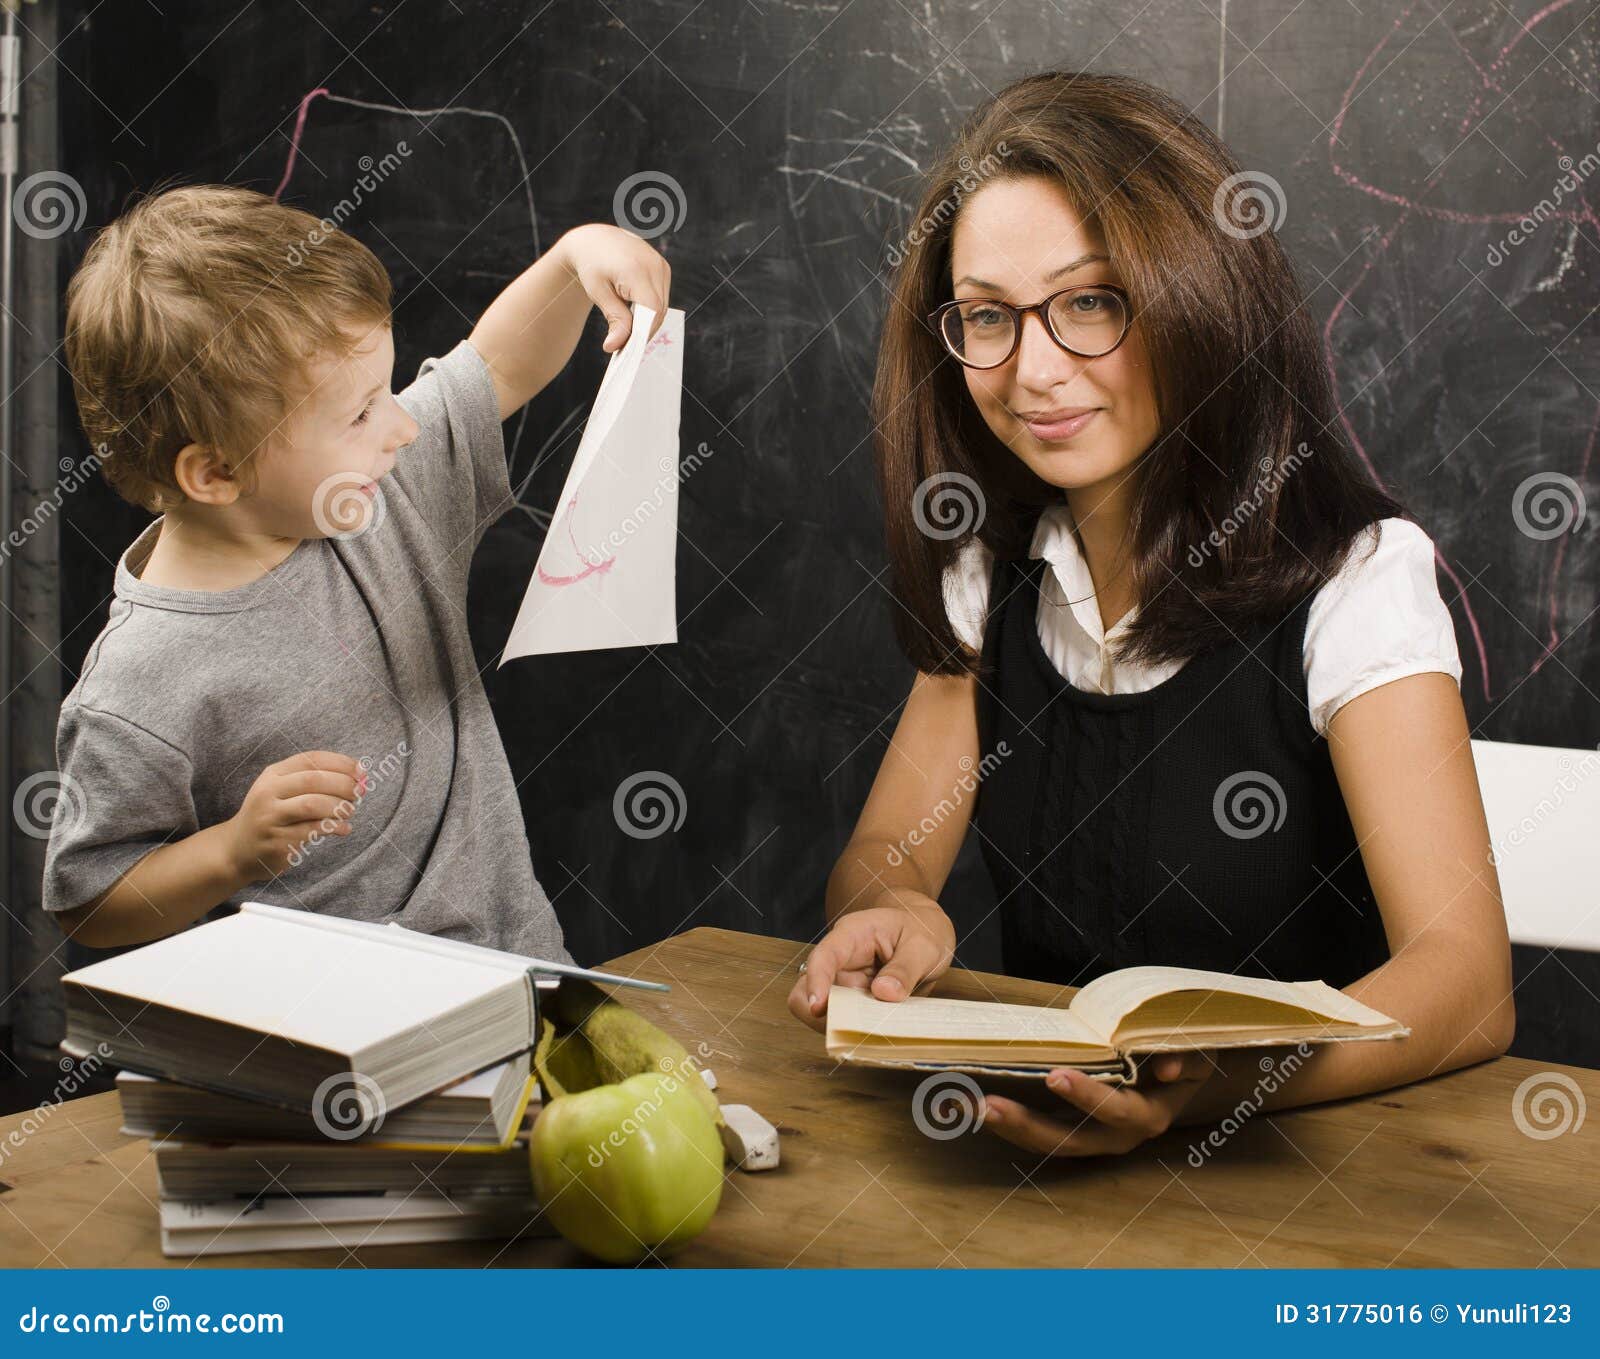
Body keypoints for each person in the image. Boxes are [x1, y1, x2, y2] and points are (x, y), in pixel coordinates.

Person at [789, 72, 1514, 1157]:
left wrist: (1214, 1094)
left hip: (1307, 1192)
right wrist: (892, 912)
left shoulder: (1355, 579)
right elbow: (890, 846)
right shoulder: (991, 570)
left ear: (1194, 293)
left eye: (1088, 302)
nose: (1032, 371)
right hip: (1027, 1169)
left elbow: (1465, 987)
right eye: (986, 316)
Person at [44, 184, 670, 959]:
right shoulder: (139, 679)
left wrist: (576, 257)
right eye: (361, 412)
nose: (402, 425)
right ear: (214, 473)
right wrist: (232, 851)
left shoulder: (377, 495)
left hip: (522, 983)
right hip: (334, 1044)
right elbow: (89, 898)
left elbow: (496, 368)